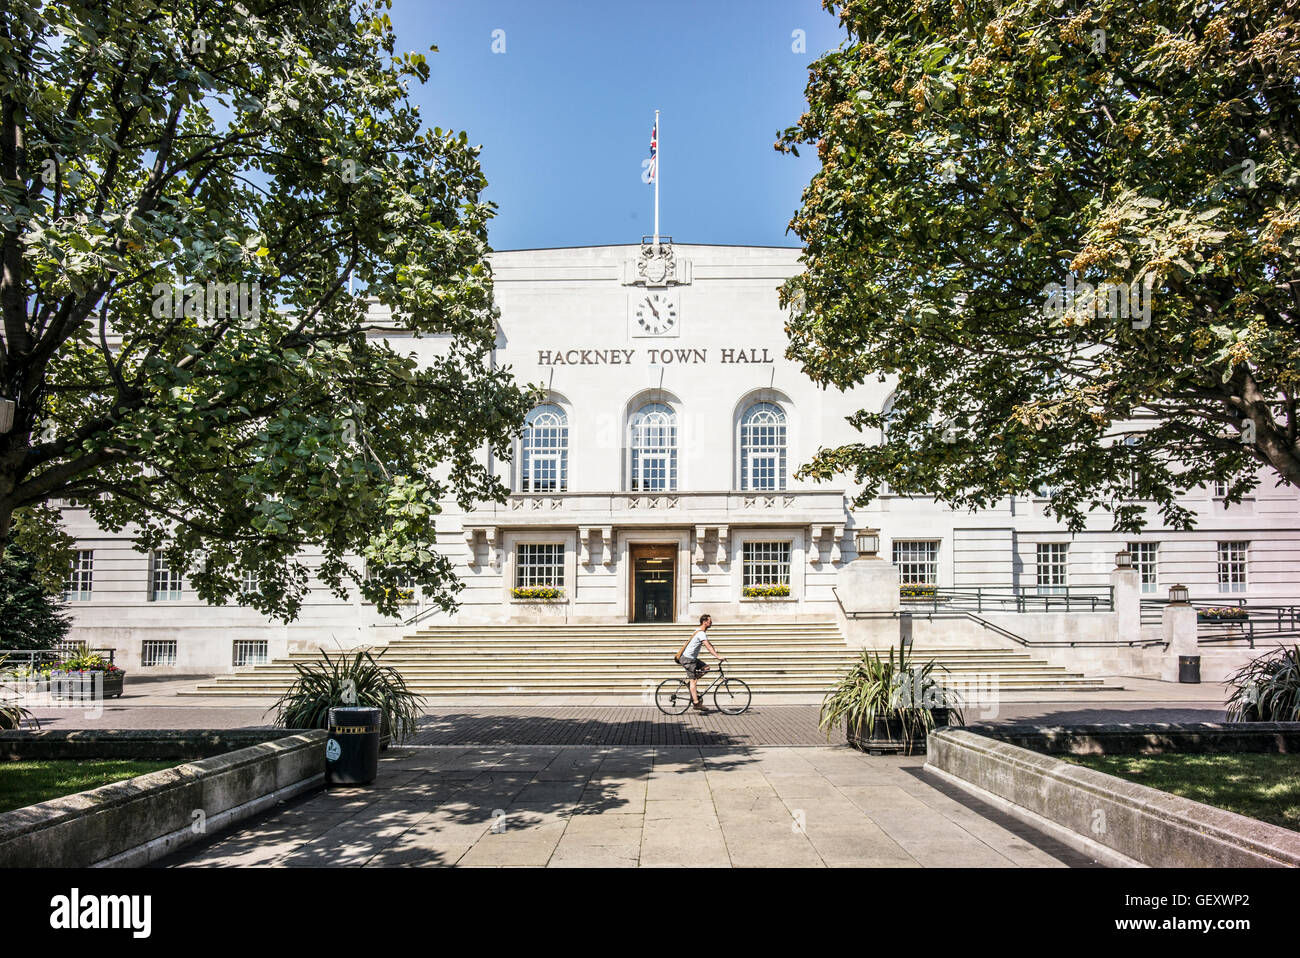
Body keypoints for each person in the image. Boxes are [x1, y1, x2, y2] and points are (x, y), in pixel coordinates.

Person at [678, 614, 724, 712]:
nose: (711, 622)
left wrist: (715, 651)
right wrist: (718, 657)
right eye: (710, 621)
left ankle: (691, 686)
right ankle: (696, 703)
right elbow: (708, 647)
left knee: (706, 668)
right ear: (704, 622)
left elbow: (709, 644)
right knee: (693, 680)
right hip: (688, 659)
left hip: (692, 659)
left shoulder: (699, 631)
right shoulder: (701, 633)